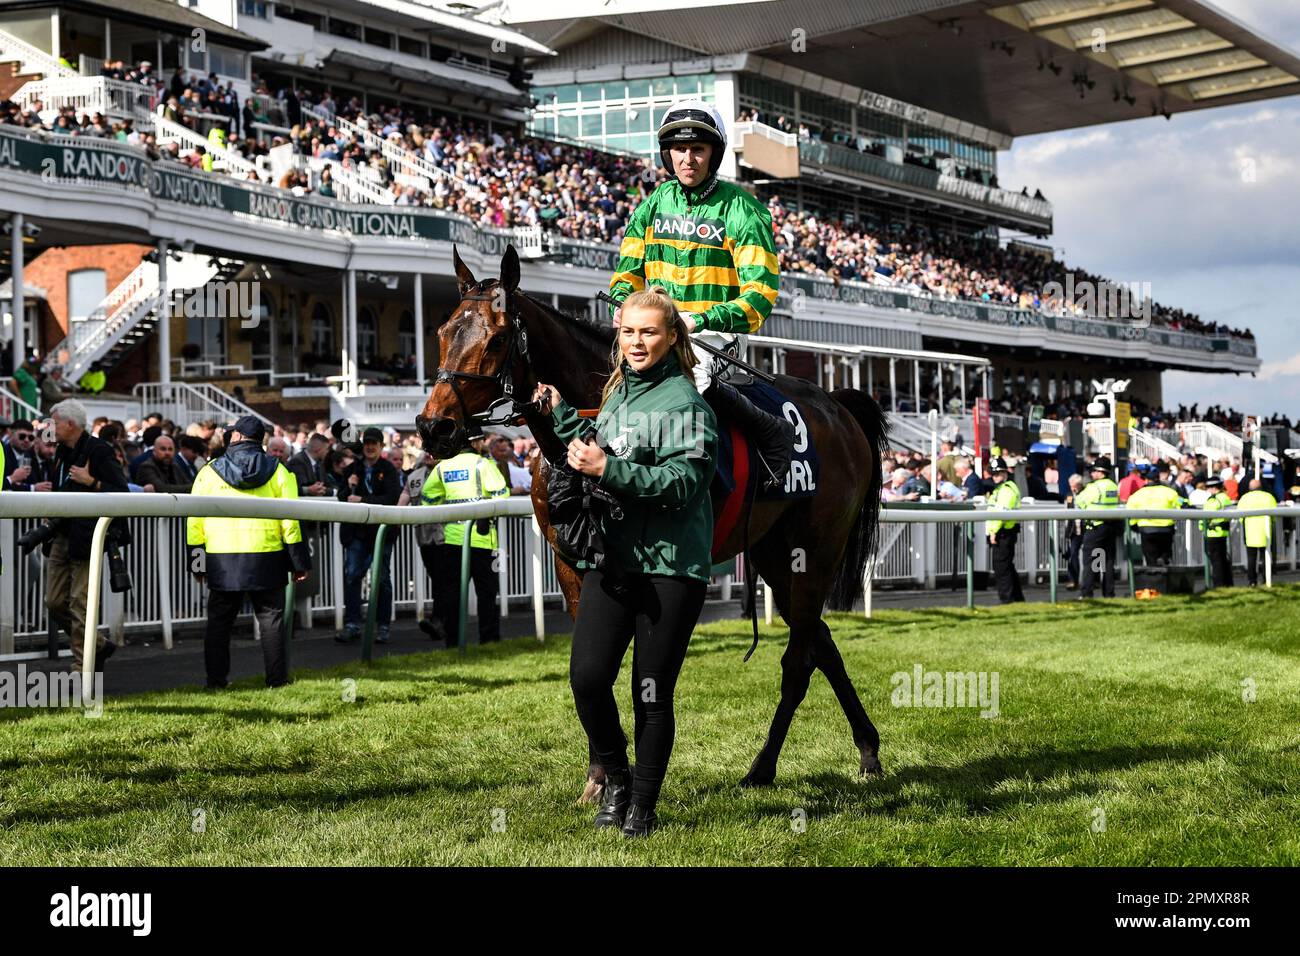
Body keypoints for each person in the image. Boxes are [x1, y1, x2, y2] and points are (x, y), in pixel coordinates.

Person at [533, 285, 719, 838]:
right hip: (612, 563)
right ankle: (616, 776)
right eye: (629, 331)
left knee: (651, 691)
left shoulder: (688, 403)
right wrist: (563, 418)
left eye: (649, 332)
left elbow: (683, 484)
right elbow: (601, 454)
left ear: (671, 337)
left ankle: (641, 805)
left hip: (670, 570)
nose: (637, 342)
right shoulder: (617, 396)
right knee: (588, 679)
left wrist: (605, 471)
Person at [606, 100, 793, 491]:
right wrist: (624, 302)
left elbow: (759, 298)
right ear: (667, 153)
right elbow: (627, 274)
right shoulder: (651, 206)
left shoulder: (744, 210)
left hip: (713, 336)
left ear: (714, 153)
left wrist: (700, 320)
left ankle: (771, 431)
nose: (687, 159)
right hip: (655, 332)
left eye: (698, 149)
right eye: (679, 149)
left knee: (693, 377)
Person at [186, 416, 310, 689]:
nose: (228, 436)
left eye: (231, 433)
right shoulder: (280, 471)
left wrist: (197, 564)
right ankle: (277, 681)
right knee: (272, 621)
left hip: (222, 558)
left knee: (219, 624)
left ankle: (216, 682)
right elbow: (291, 520)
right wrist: (299, 562)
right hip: (267, 556)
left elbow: (194, 520)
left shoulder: (209, 471)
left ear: (239, 437)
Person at [41, 400, 130, 672]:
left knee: (80, 604)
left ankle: (83, 668)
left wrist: (93, 483)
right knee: (54, 603)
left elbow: (121, 492)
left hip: (87, 536)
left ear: (70, 424)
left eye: (54, 422)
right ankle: (99, 645)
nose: (50, 428)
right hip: (61, 534)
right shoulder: (61, 451)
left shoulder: (99, 450)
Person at [419, 435, 510, 646]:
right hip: (483, 539)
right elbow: (502, 494)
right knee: (487, 593)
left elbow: (428, 499)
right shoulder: (483, 464)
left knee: (453, 593)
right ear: (476, 443)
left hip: (452, 540)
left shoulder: (443, 466)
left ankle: (453, 641)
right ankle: (489, 640)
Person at [335, 427, 401, 644]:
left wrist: (363, 499)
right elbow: (343, 498)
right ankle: (352, 624)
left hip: (382, 532)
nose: (370, 447)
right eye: (367, 443)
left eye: (374, 443)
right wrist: (349, 486)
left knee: (381, 579)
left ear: (381, 446)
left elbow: (391, 498)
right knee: (352, 576)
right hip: (357, 533)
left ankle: (383, 626)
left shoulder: (389, 469)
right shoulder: (351, 470)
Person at [397, 450, 448, 642]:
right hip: (425, 538)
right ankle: (440, 623)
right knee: (438, 579)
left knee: (444, 580)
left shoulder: (449, 473)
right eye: (426, 450)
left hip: (447, 536)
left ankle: (439, 621)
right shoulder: (414, 477)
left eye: (433, 450)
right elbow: (402, 502)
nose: (429, 453)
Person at [1075, 459, 1120, 598]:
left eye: (1094, 471)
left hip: (1095, 527)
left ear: (1101, 472)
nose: (1092, 473)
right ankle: (1109, 593)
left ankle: (1087, 593)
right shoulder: (1113, 486)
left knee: (1090, 561)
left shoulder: (1094, 487)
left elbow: (1080, 502)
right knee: (1108, 561)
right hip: (1110, 526)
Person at [985, 457, 1023, 603]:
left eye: (998, 473)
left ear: (1005, 473)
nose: (995, 477)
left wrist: (993, 531)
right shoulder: (1002, 488)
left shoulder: (1006, 490)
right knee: (1007, 566)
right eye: (993, 474)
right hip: (1004, 532)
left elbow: (1000, 513)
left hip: (1003, 532)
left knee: (1001, 568)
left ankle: (1007, 599)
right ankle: (1017, 598)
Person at [1126, 478, 1183, 566]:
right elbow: (1181, 504)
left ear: (1146, 481)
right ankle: (1164, 560)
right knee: (1165, 553)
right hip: (1166, 529)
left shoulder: (1137, 494)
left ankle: (1153, 571)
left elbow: (1130, 513)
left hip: (1147, 530)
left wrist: (1134, 526)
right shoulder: (1169, 492)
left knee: (1150, 559)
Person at [1237, 479, 1277, 586]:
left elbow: (1240, 516)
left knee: (1251, 558)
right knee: (1266, 557)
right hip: (1265, 532)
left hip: (1250, 531)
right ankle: (1266, 579)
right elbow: (1274, 515)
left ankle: (1252, 581)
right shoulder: (1268, 497)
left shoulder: (1245, 498)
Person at [1199, 477, 1234, 588]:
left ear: (1214, 488)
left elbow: (1206, 516)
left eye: (1208, 488)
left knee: (1216, 562)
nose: (1208, 490)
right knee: (1224, 560)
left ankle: (1218, 585)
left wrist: (1201, 527)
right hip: (1224, 533)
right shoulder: (1226, 498)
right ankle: (1228, 584)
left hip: (1213, 534)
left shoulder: (1214, 500)